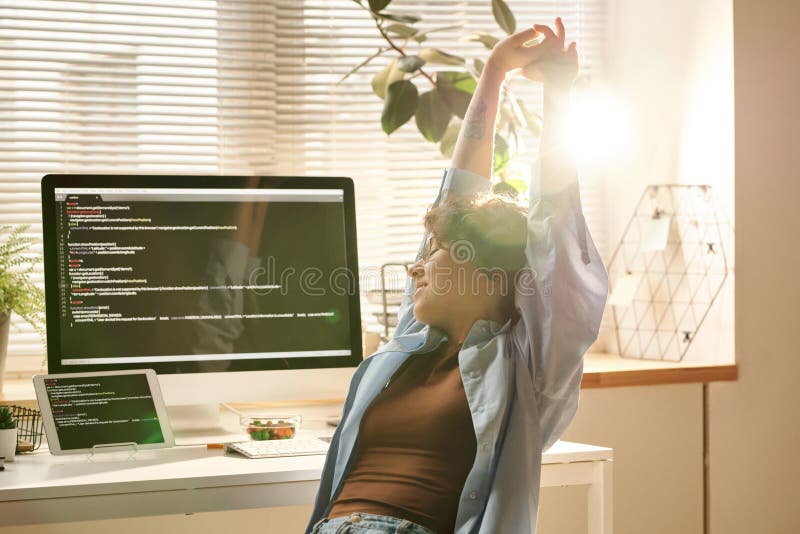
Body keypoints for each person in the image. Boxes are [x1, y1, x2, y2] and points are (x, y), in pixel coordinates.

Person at [306, 17, 609, 534]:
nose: (415, 264)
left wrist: (558, 93)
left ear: (489, 275)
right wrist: (494, 73)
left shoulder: (527, 365)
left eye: (440, 251)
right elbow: (459, 192)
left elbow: (555, 222)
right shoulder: (410, 343)